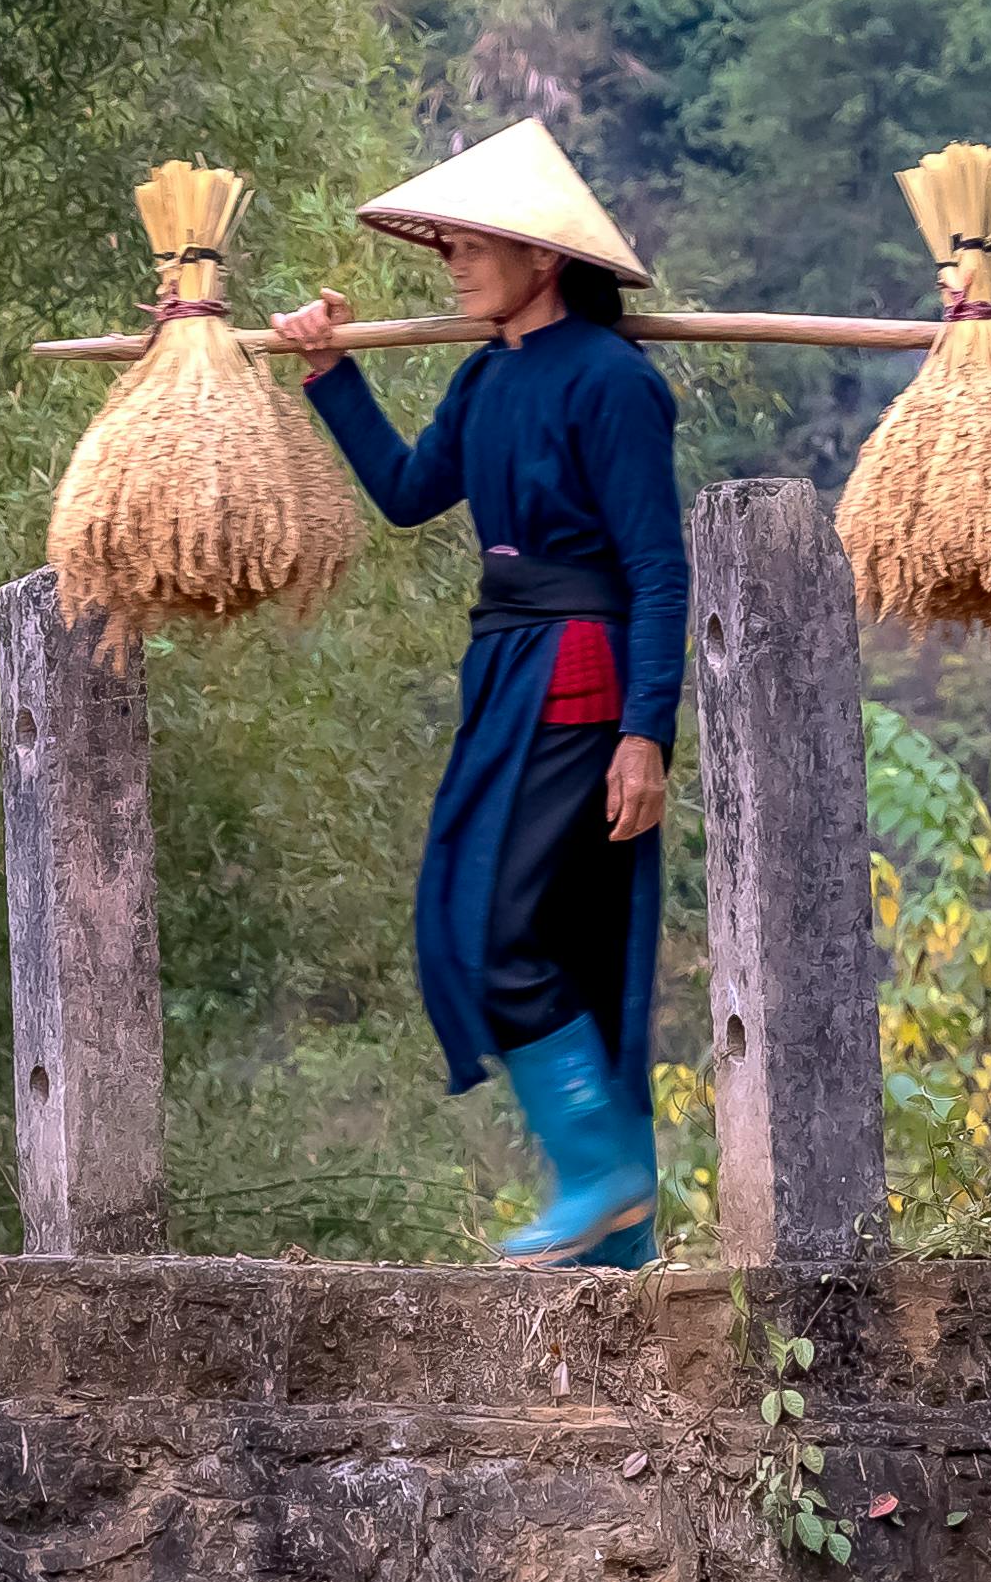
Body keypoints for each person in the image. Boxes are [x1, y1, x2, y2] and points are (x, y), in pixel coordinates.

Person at [267, 121, 692, 1268]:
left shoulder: (611, 383)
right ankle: (617, 1218)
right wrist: (327, 370)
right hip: (505, 664)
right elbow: (410, 491)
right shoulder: (486, 374)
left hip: (578, 671)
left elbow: (657, 566)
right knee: (501, 918)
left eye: (470, 239)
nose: (449, 256)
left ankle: (604, 1170)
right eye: (445, 239)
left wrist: (644, 732)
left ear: (541, 256)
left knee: (499, 925)